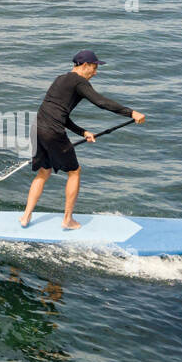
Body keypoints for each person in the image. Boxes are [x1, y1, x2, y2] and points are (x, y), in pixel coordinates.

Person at [19, 50, 144, 230]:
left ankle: (25, 216)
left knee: (44, 172)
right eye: (93, 68)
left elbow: (58, 113)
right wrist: (131, 113)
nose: (95, 72)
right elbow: (101, 102)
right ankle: (67, 219)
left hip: (37, 128)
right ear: (84, 66)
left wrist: (82, 132)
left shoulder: (60, 79)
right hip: (53, 131)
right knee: (74, 171)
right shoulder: (79, 81)